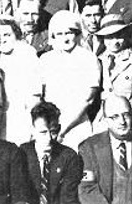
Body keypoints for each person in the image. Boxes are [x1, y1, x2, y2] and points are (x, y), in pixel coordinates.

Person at [39, 11, 101, 150]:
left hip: (78, 125)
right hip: (50, 124)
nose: (65, 38)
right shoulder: (45, 60)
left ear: (77, 33)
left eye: (69, 33)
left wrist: (64, 129)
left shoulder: (89, 59)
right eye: (59, 34)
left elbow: (88, 100)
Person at [96, 14, 132, 130]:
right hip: (106, 119)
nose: (115, 42)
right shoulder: (99, 60)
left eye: (118, 36)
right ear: (103, 38)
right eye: (109, 37)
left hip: (131, 118)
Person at [0, 18, 42, 145]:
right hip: (0, 117)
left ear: (17, 35)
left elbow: (34, 96)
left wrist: (32, 125)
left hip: (21, 117)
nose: (2, 39)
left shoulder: (27, 55)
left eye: (7, 35)